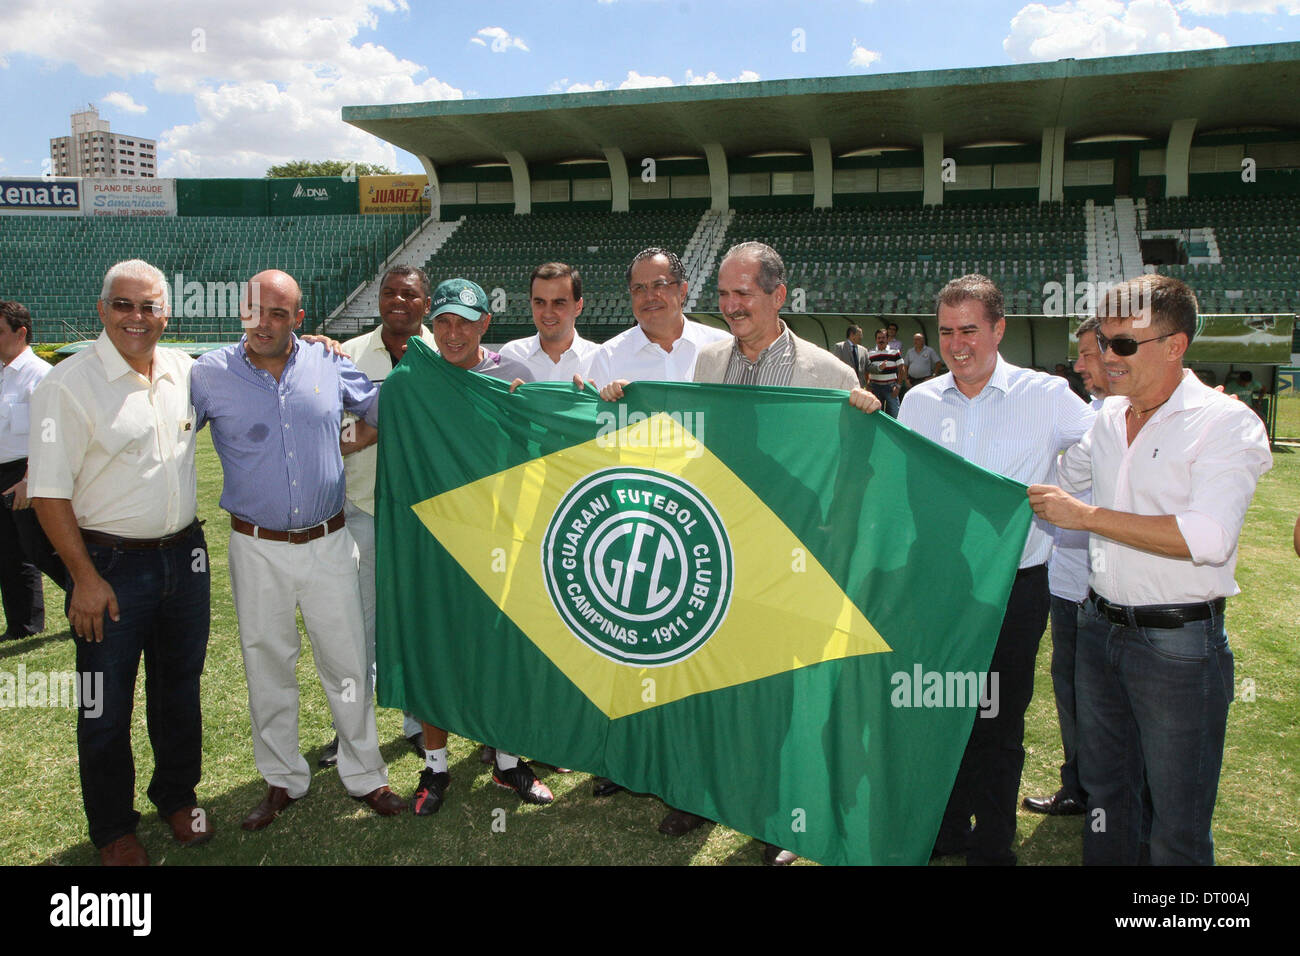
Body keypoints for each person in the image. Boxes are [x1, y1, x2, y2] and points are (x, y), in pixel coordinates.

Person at [1028, 275, 1272, 865]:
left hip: (1177, 644)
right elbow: (1064, 484)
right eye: (1102, 341)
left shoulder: (1224, 423)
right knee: (1108, 802)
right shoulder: (1110, 417)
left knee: (1177, 822)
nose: (1106, 358)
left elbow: (1208, 539)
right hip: (1099, 628)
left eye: (1123, 345)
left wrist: (1087, 516)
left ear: (1175, 346)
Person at [190, 269, 405, 830]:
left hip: (329, 539)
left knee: (349, 661)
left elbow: (386, 409)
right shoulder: (208, 373)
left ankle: (366, 774)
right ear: (242, 312)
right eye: (257, 310)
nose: (266, 323)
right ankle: (283, 778)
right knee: (268, 664)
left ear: (299, 319)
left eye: (280, 313)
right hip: (255, 544)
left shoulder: (327, 362)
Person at [891, 274, 1094, 866]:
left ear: (999, 329)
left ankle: (992, 843)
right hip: (941, 586)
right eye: (946, 331)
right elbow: (905, 485)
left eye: (970, 330)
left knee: (999, 718)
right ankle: (948, 827)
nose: (957, 344)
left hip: (1016, 588)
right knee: (942, 711)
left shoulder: (1046, 395)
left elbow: (1107, 442)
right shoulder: (922, 402)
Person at [28, 260, 212, 865]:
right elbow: (48, 494)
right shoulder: (65, 385)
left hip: (184, 558)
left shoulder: (184, 370)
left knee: (179, 692)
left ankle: (178, 798)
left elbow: (256, 359)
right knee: (104, 705)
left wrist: (316, 340)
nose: (138, 318)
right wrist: (84, 578)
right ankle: (112, 829)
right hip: (109, 564)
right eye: (125, 305)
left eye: (149, 306)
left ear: (167, 313)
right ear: (102, 309)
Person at [579, 247, 730, 805]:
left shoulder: (720, 348)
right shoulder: (609, 357)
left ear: (684, 289)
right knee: (630, 647)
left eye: (661, 284)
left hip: (708, 527)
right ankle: (629, 762)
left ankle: (691, 773)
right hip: (636, 527)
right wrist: (601, 405)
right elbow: (587, 442)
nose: (650, 297)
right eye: (639, 288)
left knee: (695, 653)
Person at [408, 277, 553, 816]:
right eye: (443, 321)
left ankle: (509, 762)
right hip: (436, 539)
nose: (452, 333)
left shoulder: (514, 375)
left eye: (464, 322)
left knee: (502, 653)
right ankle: (435, 767)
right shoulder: (416, 379)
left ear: (485, 324)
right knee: (435, 651)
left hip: (499, 541)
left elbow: (546, 448)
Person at [328, 264, 439, 768]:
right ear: (379, 300)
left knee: (418, 622)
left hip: (428, 518)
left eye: (410, 294)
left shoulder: (448, 353)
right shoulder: (344, 356)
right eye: (390, 293)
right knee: (356, 629)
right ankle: (353, 732)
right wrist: (367, 432)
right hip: (363, 509)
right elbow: (328, 437)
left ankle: (418, 725)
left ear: (426, 302)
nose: (399, 301)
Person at [1022, 315, 1109, 818]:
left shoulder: (1125, 418)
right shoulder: (1083, 412)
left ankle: (1110, 794)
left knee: (1105, 701)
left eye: (1088, 355)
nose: (1079, 365)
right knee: (1071, 694)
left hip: (1107, 590)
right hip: (1066, 582)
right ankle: (1078, 786)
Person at [1, 300, 63, 640]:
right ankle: (22, 625)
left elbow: (50, 435)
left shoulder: (39, 375)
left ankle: (89, 596)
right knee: (9, 554)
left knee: (43, 549)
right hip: (3, 473)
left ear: (20, 332)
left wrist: (29, 479)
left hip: (27, 472)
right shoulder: (1, 373)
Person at [499, 262, 600, 382]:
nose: (548, 313)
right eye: (540, 302)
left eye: (559, 303)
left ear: (578, 307)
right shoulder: (510, 356)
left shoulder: (600, 359)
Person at [866, 327, 907, 417]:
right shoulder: (870, 353)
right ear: (876, 340)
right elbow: (867, 370)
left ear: (887, 339)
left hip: (890, 387)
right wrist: (868, 384)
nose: (881, 340)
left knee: (894, 414)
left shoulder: (895, 352)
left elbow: (901, 369)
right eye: (879, 338)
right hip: (875, 387)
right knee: (875, 414)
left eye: (883, 338)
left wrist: (898, 386)